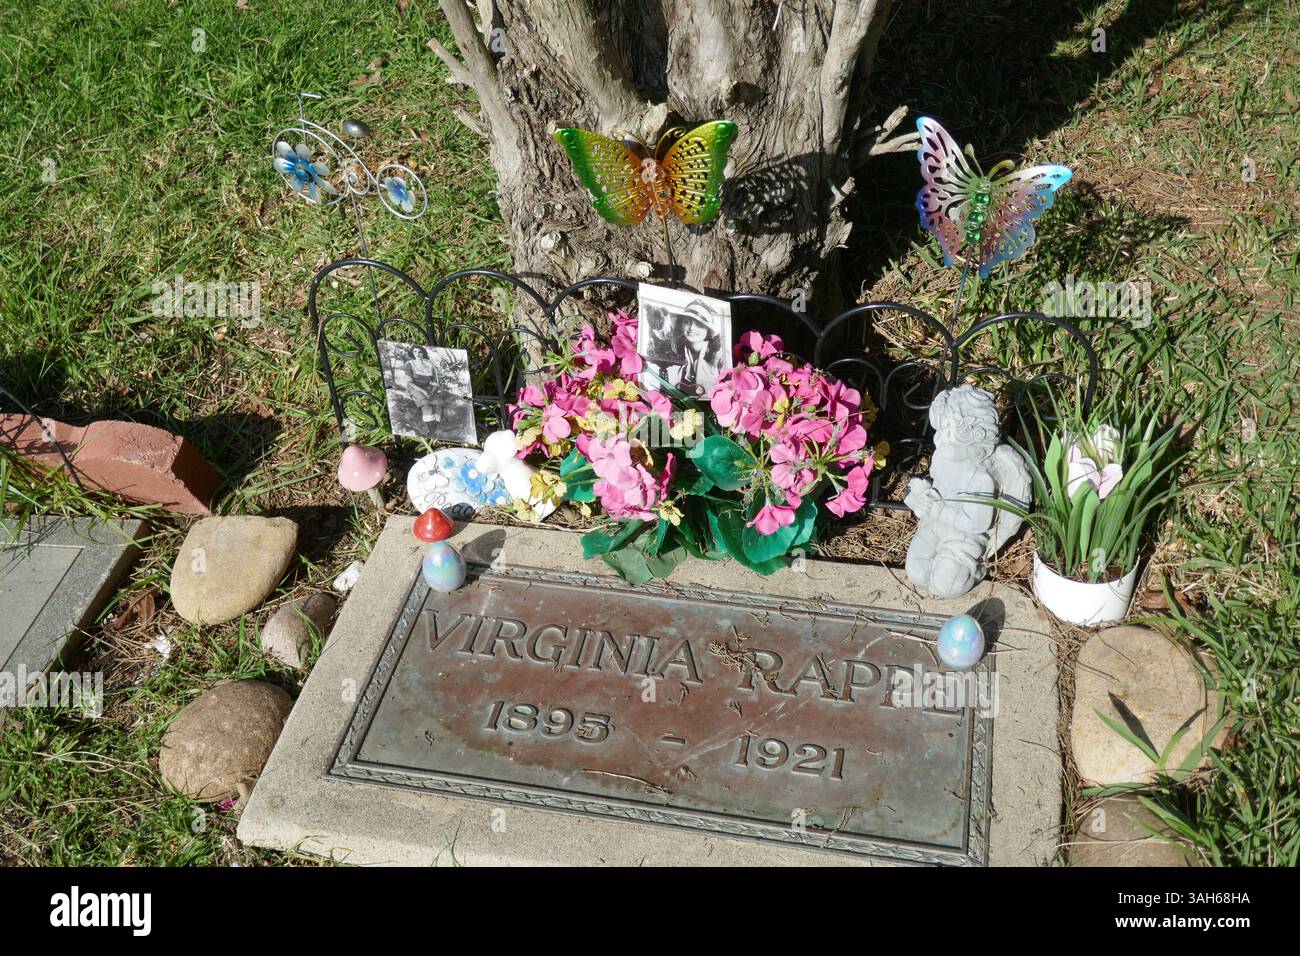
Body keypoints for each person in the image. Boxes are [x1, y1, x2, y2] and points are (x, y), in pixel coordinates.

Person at [676, 301, 728, 397]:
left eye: (699, 324)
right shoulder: (679, 351)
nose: (691, 328)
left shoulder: (720, 355)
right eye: (687, 322)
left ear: (707, 330)